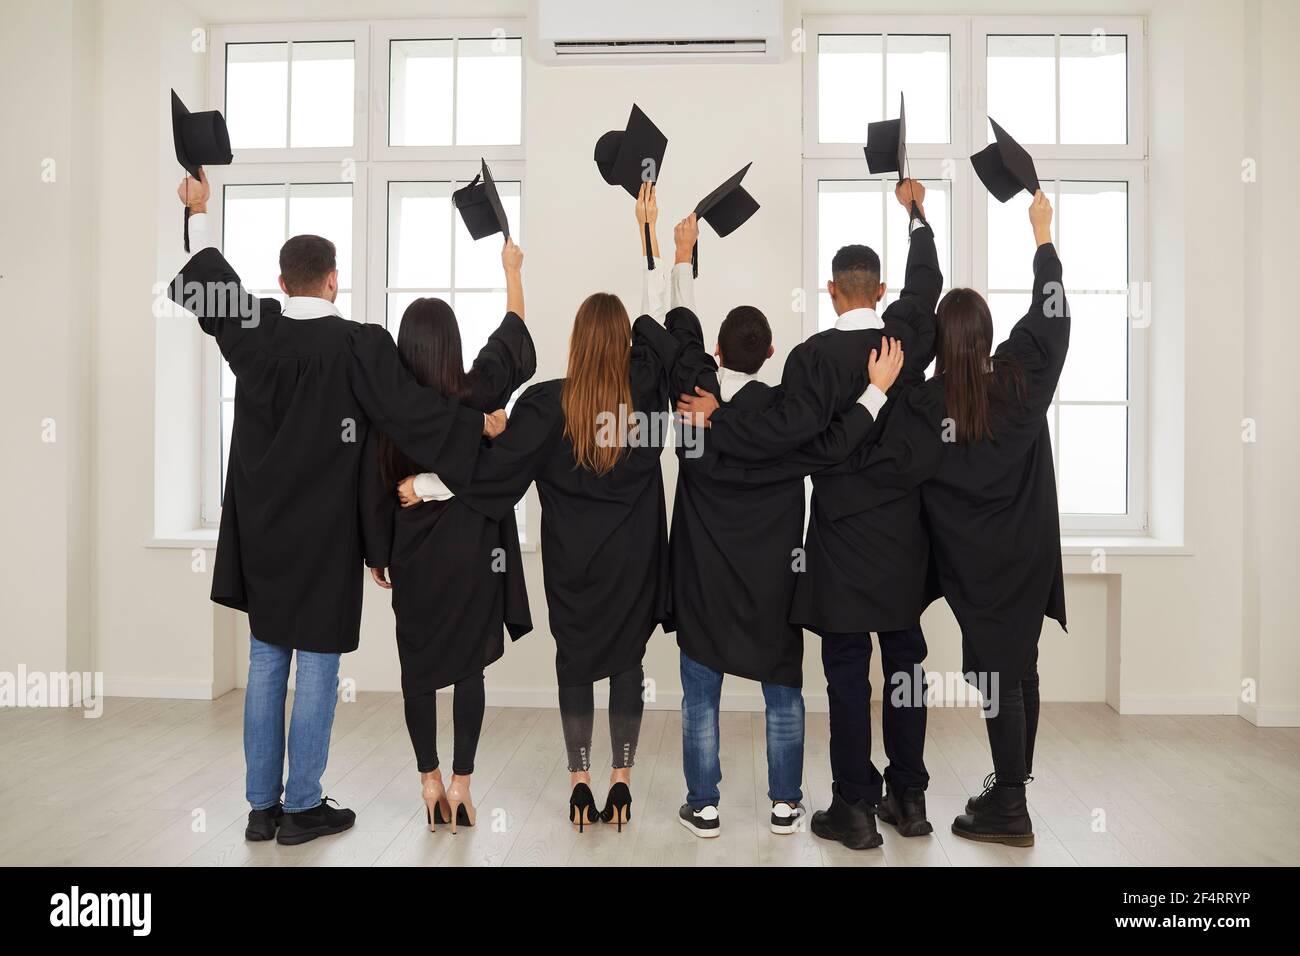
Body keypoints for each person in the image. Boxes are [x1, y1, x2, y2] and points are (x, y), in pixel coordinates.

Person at [168, 169, 504, 846]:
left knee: (267, 662)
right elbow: (412, 415)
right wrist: (476, 427)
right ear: (331, 280)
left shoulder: (255, 328)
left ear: (283, 281)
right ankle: (302, 806)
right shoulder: (360, 345)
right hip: (327, 538)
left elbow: (211, 285)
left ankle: (261, 808)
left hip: (261, 533)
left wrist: (199, 212)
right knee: (316, 665)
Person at [404, 182, 680, 833]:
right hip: (636, 566)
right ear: (624, 347)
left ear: (579, 343)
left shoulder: (546, 406)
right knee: (628, 666)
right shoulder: (644, 395)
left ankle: (580, 781)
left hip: (573, 568)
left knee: (576, 664)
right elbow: (658, 319)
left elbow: (488, 477)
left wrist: (426, 487)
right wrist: (649, 237)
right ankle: (622, 783)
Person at [678, 180, 943, 850]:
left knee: (849, 672)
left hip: (842, 542)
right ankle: (909, 797)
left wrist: (717, 418)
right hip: (907, 541)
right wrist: (915, 216)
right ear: (878, 293)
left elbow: (783, 438)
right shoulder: (906, 339)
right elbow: (928, 286)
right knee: (906, 665)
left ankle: (854, 807)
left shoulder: (811, 358)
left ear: (832, 291)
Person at [852, 189, 1067, 847]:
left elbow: (884, 468)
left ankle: (1009, 806)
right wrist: (1041, 234)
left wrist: (873, 394)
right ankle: (1011, 789)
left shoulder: (924, 401)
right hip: (1026, 561)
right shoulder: (1022, 378)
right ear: (992, 336)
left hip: (971, 570)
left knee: (999, 678)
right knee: (1015, 670)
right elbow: (1053, 312)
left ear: (940, 341)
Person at [360, 240, 534, 834]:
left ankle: (429, 781)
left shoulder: (389, 410)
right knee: (468, 669)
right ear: (454, 346)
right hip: (473, 553)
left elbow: (374, 483)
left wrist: (378, 552)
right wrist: (512, 271)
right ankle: (463, 784)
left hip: (414, 554)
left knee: (418, 670)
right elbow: (512, 338)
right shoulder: (478, 396)